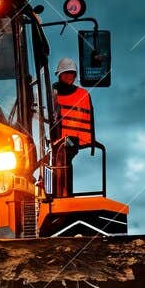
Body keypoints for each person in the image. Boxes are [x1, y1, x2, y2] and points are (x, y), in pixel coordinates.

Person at [50, 56, 94, 197]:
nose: (70, 76)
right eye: (66, 73)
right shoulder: (50, 93)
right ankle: (58, 194)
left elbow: (86, 119)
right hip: (53, 139)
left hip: (72, 140)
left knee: (64, 159)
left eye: (72, 73)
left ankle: (64, 194)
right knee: (56, 163)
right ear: (60, 74)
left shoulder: (83, 94)